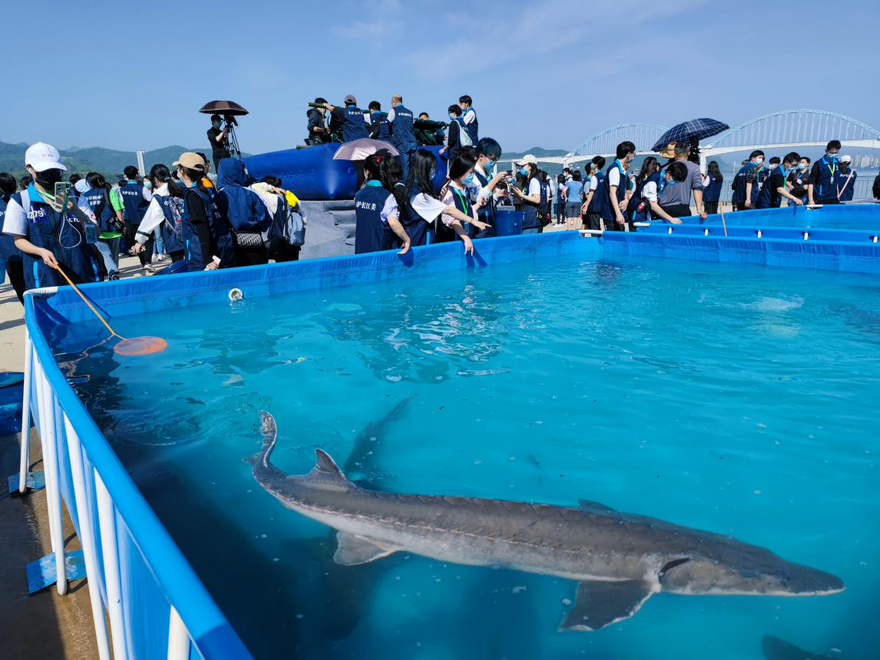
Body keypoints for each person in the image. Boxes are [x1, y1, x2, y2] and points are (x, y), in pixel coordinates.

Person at [2, 142, 104, 291]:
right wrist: (40, 251)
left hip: (82, 273)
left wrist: (77, 212)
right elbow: (19, 241)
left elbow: (95, 235)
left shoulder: (76, 198)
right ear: (29, 168)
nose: (50, 177)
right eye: (44, 172)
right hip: (44, 276)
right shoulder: (21, 201)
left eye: (55, 172)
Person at [400, 149, 483, 251]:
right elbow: (448, 210)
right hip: (417, 245)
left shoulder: (417, 188)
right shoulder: (417, 196)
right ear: (422, 169)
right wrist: (472, 221)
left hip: (422, 242)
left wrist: (439, 199)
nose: (433, 171)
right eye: (431, 168)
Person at [215, 158, 273, 266]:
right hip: (254, 244)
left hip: (230, 247)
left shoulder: (218, 196)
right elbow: (265, 219)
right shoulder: (251, 194)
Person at [353, 151, 410, 254]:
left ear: (367, 172)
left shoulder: (358, 195)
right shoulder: (386, 196)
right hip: (379, 252)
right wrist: (406, 239)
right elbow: (392, 222)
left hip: (360, 252)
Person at [131, 164, 187, 265]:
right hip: (191, 236)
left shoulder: (159, 196)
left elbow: (150, 219)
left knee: (181, 269)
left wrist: (139, 241)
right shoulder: (182, 189)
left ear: (155, 179)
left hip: (175, 238)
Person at [437, 150, 490, 244]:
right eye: (470, 172)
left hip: (467, 237)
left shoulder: (465, 189)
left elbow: (466, 211)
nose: (472, 176)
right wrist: (465, 238)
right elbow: (451, 219)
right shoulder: (448, 191)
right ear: (460, 170)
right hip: (454, 241)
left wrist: (478, 204)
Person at [80, 172, 123, 279]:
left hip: (92, 229)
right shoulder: (109, 192)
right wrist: (122, 224)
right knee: (113, 254)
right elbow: (118, 209)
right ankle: (113, 273)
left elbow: (82, 214)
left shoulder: (84, 196)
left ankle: (107, 273)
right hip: (111, 227)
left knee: (103, 253)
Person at [118, 165, 154, 273]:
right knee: (147, 240)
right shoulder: (141, 188)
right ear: (137, 174)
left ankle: (143, 262)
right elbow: (151, 200)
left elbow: (122, 203)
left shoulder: (122, 190)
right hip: (142, 218)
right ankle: (148, 262)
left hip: (129, 218)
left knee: (136, 241)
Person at [657, 142, 705, 220]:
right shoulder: (694, 168)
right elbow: (697, 188)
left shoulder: (665, 168)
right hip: (682, 208)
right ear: (688, 153)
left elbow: (659, 189)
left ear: (675, 154)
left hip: (663, 209)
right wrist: (699, 209)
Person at [470, 137, 507, 237]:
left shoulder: (487, 174)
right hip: (479, 226)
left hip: (489, 222)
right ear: (481, 156)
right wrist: (496, 179)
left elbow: (487, 200)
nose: (494, 162)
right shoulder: (472, 174)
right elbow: (478, 197)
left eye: (496, 159)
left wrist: (496, 196)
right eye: (492, 159)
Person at [0, 173, 26, 302]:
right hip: (29, 251)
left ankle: (29, 311)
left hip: (10, 254)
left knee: (19, 286)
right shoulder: (22, 200)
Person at [601, 141, 636, 230]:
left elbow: (622, 190)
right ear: (628, 154)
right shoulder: (615, 169)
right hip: (611, 215)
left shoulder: (621, 171)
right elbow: (612, 193)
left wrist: (625, 201)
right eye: (633, 153)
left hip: (617, 213)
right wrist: (618, 214)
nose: (633, 156)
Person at [510, 154, 548, 234]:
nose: (521, 168)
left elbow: (537, 199)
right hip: (532, 219)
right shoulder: (533, 180)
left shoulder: (533, 181)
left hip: (532, 220)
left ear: (530, 166)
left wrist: (521, 195)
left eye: (523, 165)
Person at [387, 95, 417, 183]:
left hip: (402, 142)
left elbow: (387, 123)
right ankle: (415, 187)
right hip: (413, 141)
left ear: (394, 102)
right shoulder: (410, 112)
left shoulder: (393, 111)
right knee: (413, 167)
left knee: (405, 167)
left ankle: (407, 189)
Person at [627, 157, 661, 224]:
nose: (654, 166)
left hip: (649, 208)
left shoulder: (657, 179)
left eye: (656, 164)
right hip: (639, 208)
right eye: (653, 164)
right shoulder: (640, 178)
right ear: (647, 165)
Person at [808, 140, 841, 206]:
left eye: (836, 153)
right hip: (821, 197)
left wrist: (838, 195)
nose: (833, 155)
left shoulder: (837, 162)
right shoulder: (818, 164)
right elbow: (811, 183)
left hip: (834, 197)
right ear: (826, 151)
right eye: (831, 152)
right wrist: (811, 200)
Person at [581, 156, 606, 231]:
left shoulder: (594, 177)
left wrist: (586, 205)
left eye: (593, 163)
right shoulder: (603, 176)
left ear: (596, 165)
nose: (591, 164)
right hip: (600, 205)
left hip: (594, 206)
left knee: (594, 228)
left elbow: (591, 193)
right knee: (597, 226)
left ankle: (595, 242)